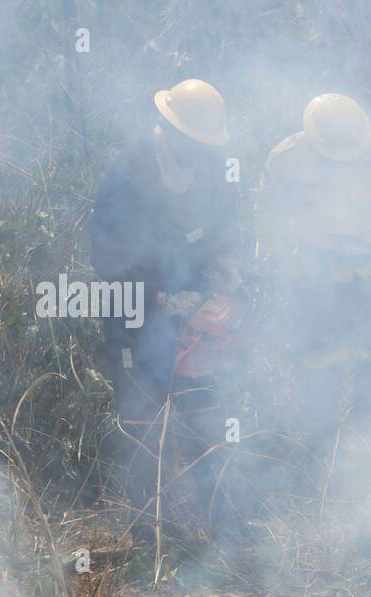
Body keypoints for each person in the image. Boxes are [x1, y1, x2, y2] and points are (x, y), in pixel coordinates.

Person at [91, 78, 243, 540]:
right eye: (191, 141)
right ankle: (150, 531)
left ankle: (219, 522)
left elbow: (224, 226)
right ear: (168, 128)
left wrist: (226, 268)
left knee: (205, 408)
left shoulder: (213, 167)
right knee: (142, 417)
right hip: (135, 314)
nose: (199, 151)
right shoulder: (127, 174)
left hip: (195, 310)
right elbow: (107, 257)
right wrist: (158, 299)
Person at [254, 93, 371, 433]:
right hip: (317, 274)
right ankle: (321, 442)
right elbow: (268, 215)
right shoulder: (287, 157)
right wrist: (282, 264)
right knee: (318, 363)